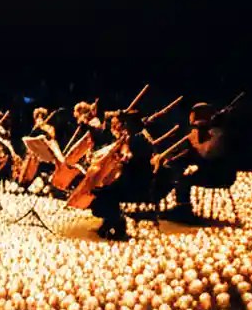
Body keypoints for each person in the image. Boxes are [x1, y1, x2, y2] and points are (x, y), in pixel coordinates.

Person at [161, 103, 236, 222]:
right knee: (177, 175)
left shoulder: (218, 135)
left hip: (218, 175)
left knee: (185, 181)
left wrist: (195, 142)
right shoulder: (206, 133)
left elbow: (207, 154)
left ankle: (184, 211)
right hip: (207, 171)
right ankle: (179, 208)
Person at [89, 111, 153, 240]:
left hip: (137, 181)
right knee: (101, 189)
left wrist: (122, 158)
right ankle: (109, 220)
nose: (123, 126)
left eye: (125, 123)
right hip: (131, 176)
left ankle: (116, 222)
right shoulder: (133, 137)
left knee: (104, 191)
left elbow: (133, 159)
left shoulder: (139, 138)